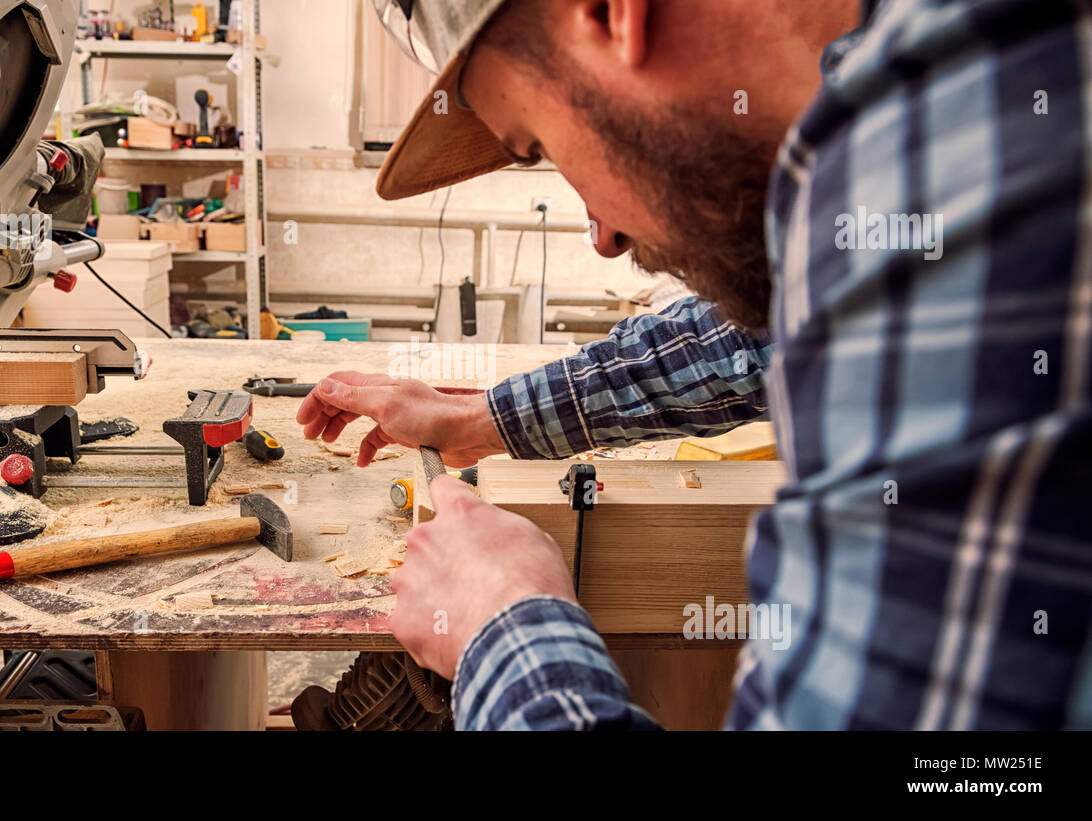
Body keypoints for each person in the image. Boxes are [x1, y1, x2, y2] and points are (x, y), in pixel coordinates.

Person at [297, 0, 1092, 730]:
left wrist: (503, 623)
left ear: (614, 14)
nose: (600, 234)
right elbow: (758, 336)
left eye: (537, 145)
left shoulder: (949, 140)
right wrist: (481, 419)